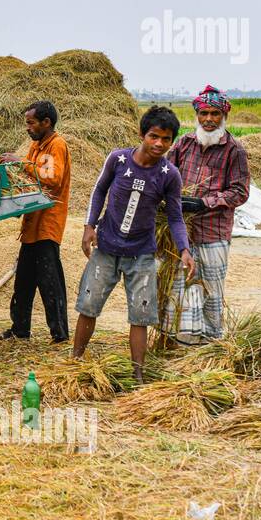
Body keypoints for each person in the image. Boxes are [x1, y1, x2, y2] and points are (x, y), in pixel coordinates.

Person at [72, 106, 196, 383]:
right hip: (106, 247)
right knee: (88, 305)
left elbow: (175, 216)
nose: (159, 144)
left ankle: (137, 373)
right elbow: (99, 190)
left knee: (140, 314)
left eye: (166, 139)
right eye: (153, 136)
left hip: (142, 253)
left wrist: (184, 249)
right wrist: (89, 226)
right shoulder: (118, 160)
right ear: (141, 134)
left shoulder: (169, 174)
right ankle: (75, 360)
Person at [163, 85, 250, 344]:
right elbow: (165, 174)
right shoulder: (183, 144)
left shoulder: (235, 149)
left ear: (224, 116)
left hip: (214, 232)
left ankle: (212, 342)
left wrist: (206, 203)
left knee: (211, 289)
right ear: (196, 115)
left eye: (214, 114)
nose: (209, 120)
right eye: (204, 114)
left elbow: (240, 191)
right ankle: (177, 340)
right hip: (181, 232)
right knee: (178, 285)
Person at [0, 100, 70, 343]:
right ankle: (20, 329)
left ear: (46, 122)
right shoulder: (37, 145)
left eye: (31, 123)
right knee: (24, 281)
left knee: (50, 282)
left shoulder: (56, 145)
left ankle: (60, 335)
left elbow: (52, 178)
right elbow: (27, 177)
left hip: (47, 224)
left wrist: (20, 163)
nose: (27, 127)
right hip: (32, 224)